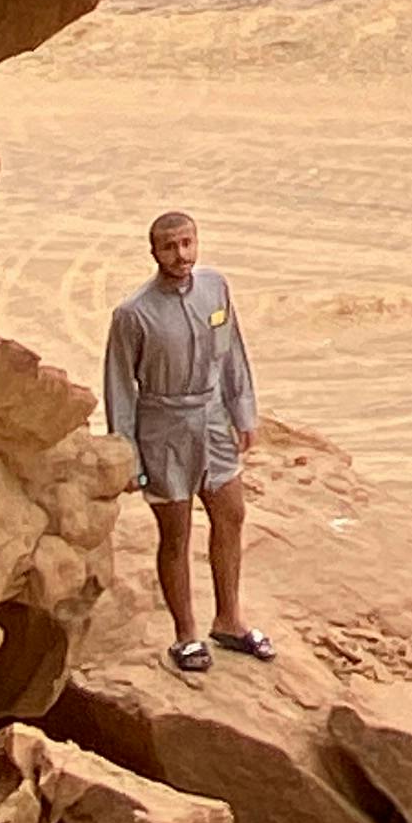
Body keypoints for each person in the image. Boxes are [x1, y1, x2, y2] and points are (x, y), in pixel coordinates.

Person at [102, 211, 272, 676]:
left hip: (213, 420)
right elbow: (120, 387)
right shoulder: (133, 313)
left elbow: (232, 351)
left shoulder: (216, 289)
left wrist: (243, 411)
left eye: (187, 243)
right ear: (153, 252)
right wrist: (129, 456)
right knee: (175, 534)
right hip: (164, 427)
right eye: (170, 247)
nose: (181, 255)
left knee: (231, 513)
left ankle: (230, 619)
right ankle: (185, 635)